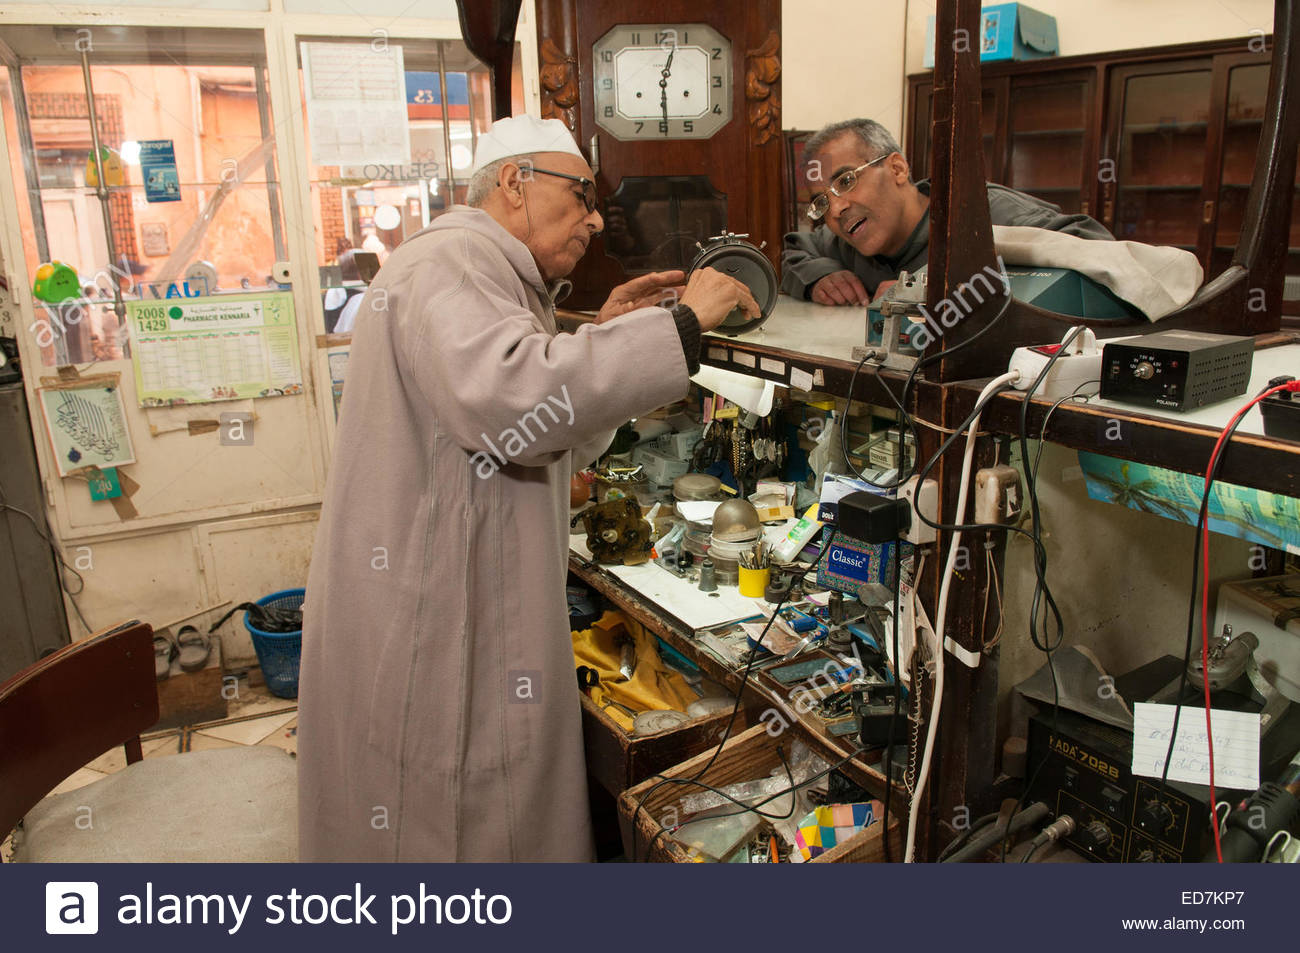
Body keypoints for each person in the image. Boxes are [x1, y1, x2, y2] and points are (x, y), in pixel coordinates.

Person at [297, 114, 757, 862]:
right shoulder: (453, 263)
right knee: (450, 823)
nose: (596, 217)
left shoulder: (488, 275)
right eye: (581, 194)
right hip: (439, 610)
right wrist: (682, 326)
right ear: (515, 181)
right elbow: (512, 395)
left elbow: (539, 430)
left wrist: (602, 334)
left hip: (442, 590)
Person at [781, 118, 1114, 306]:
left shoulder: (981, 213)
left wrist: (930, 285)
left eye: (846, 180)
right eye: (821, 202)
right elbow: (795, 252)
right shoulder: (843, 240)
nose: (836, 209)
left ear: (897, 168)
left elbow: (1100, 252)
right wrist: (820, 277)